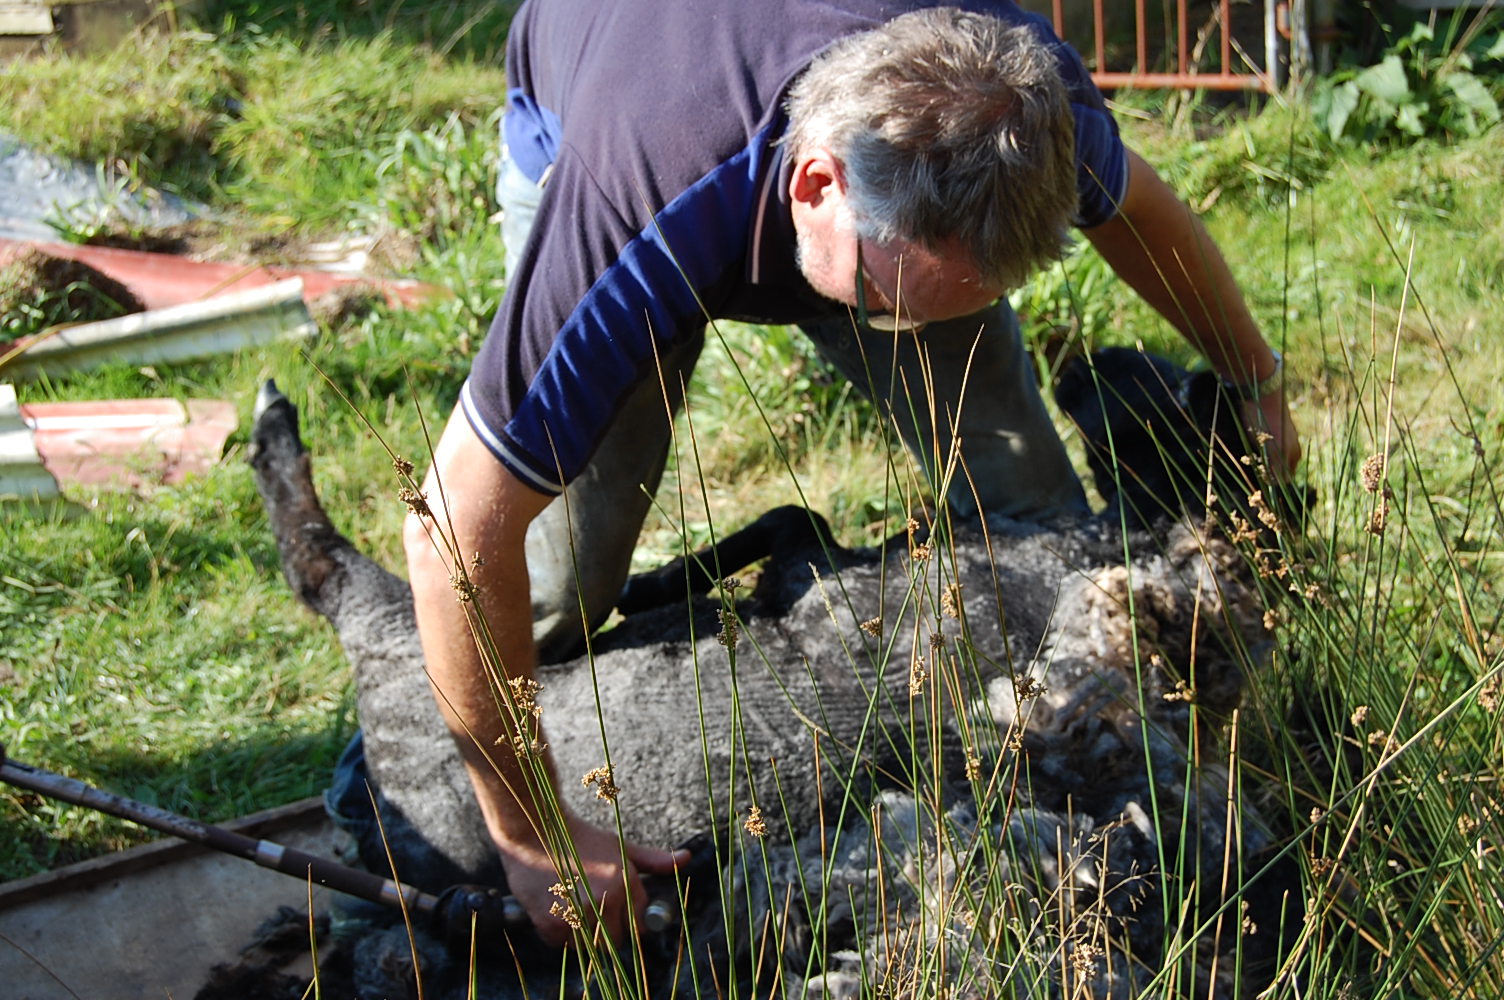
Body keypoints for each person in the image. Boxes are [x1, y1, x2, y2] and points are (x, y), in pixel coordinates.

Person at [403, 0, 1302, 950]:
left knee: (1033, 513)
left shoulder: (1016, 99)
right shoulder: (633, 197)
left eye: (941, 307)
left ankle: (1035, 777)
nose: (901, 341)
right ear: (815, 183)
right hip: (627, 134)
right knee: (561, 577)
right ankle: (480, 782)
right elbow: (454, 530)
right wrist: (531, 835)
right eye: (885, 307)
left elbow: (1142, 215)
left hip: (877, 216)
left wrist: (1257, 379)